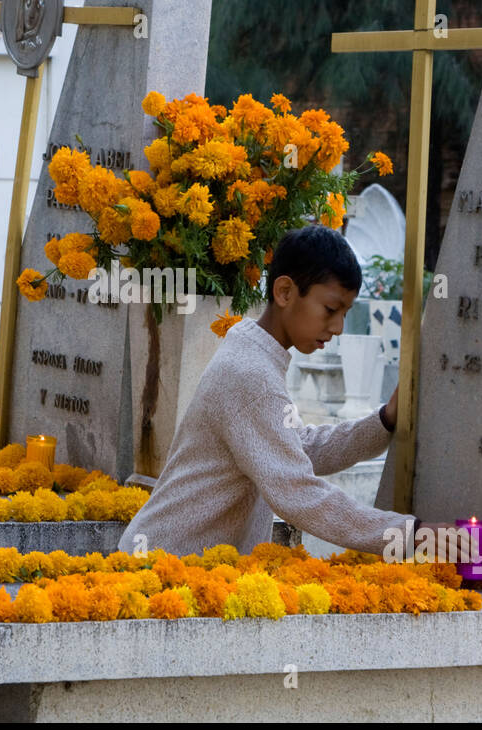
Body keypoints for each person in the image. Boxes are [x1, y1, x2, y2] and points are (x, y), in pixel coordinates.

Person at [118, 223, 438, 558]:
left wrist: (384, 420)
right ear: (284, 292)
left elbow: (299, 449)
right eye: (330, 309)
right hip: (160, 569)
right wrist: (411, 534)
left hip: (176, 564)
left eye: (345, 313)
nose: (339, 327)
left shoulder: (254, 355)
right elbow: (297, 494)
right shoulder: (251, 375)